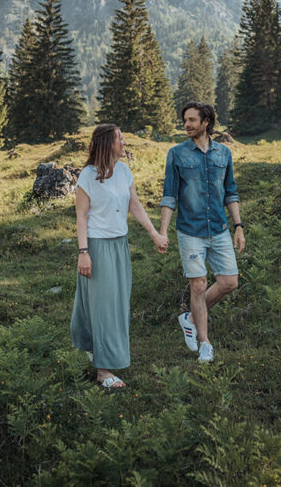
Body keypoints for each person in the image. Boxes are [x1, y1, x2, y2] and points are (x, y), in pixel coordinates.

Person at [72, 124, 168, 389]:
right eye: (120, 139)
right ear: (107, 144)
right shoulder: (88, 176)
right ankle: (103, 371)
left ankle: (93, 348)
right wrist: (84, 253)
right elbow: (80, 217)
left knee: (115, 303)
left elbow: (133, 203)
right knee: (105, 308)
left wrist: (153, 234)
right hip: (97, 245)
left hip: (119, 245)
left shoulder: (124, 171)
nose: (125, 143)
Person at [159, 102, 245, 363]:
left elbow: (231, 192)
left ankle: (190, 317)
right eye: (185, 120)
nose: (187, 125)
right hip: (190, 231)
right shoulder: (177, 154)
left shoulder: (224, 154)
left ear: (206, 122)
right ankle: (204, 343)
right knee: (198, 284)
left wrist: (238, 226)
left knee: (229, 282)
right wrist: (162, 231)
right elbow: (169, 196)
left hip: (218, 229)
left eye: (192, 120)